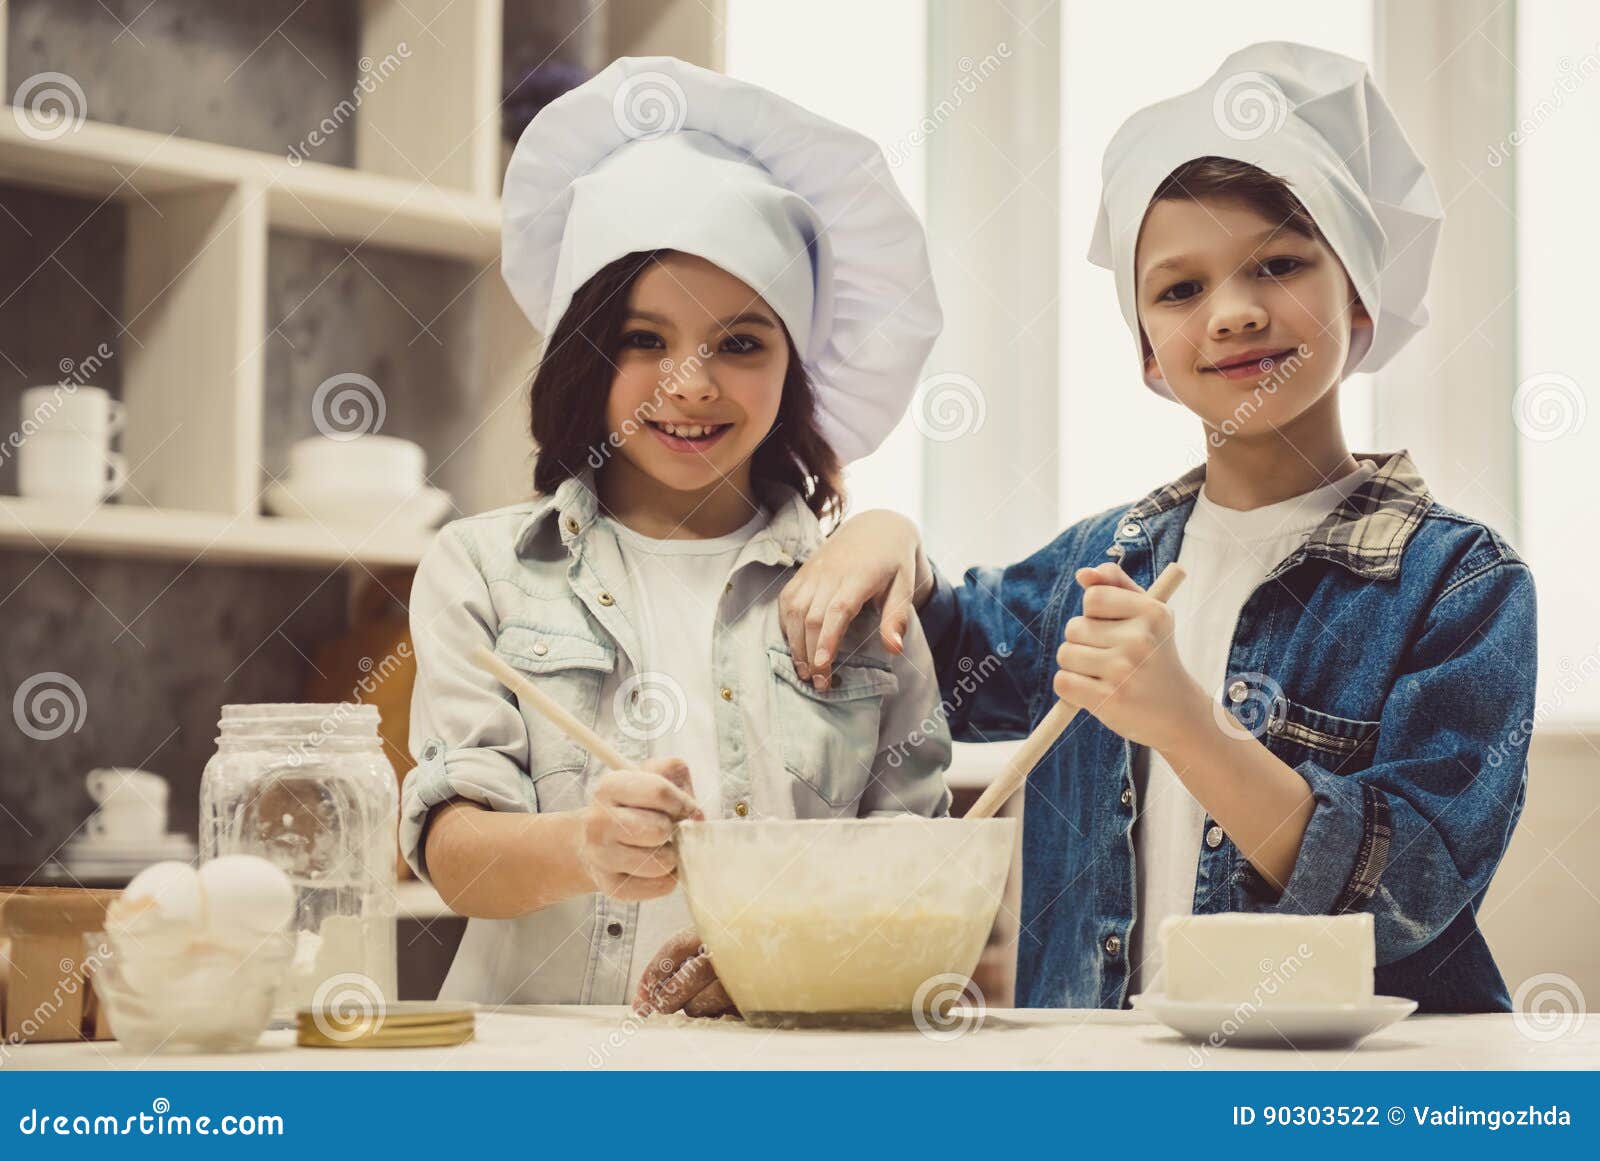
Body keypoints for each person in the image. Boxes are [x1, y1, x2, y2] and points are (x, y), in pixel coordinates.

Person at [775, 42, 1536, 1012]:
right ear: (1146, 351)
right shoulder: (1100, 565)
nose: (1233, 313)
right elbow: (947, 660)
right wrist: (888, 534)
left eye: (1278, 264)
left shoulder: (1458, 584)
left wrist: (1183, 719)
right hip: (1110, 1071)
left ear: (1358, 298)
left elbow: (1411, 892)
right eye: (1180, 289)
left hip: (1346, 1083)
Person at [399, 56, 952, 1012]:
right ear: (587, 354)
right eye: (644, 339)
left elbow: (917, 864)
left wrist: (784, 955)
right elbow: (454, 855)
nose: (691, 385)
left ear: (793, 366)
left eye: (740, 343)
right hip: (537, 1072)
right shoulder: (483, 569)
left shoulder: (858, 593)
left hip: (779, 1069)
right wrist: (581, 846)